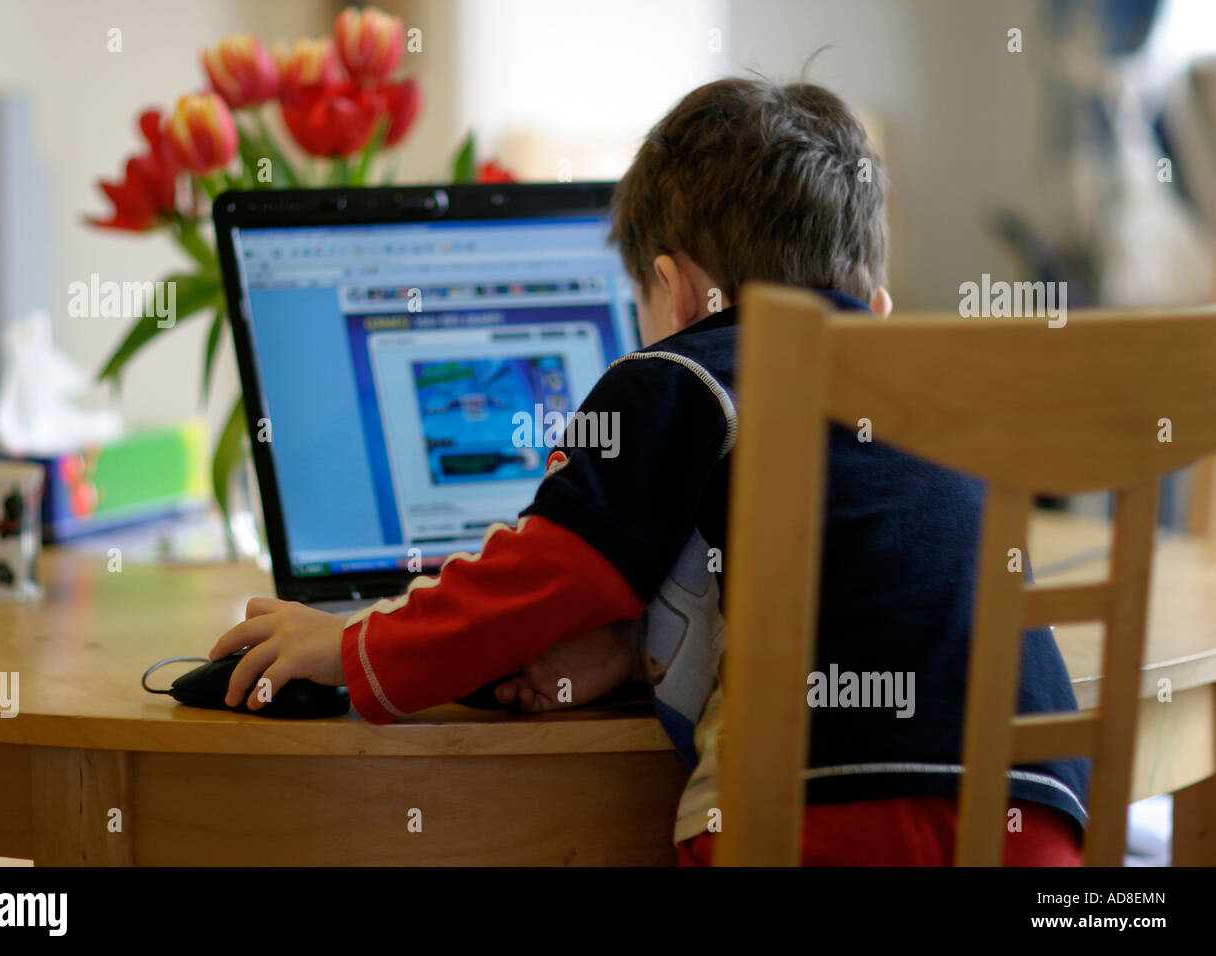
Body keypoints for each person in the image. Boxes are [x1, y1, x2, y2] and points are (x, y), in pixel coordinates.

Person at [211, 76, 1088, 866]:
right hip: (1044, 823)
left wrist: (355, 644)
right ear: (878, 308)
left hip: (817, 821)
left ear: (674, 291)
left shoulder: (673, 376)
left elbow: (545, 573)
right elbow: (847, 599)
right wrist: (637, 655)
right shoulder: (930, 399)